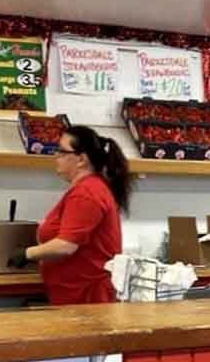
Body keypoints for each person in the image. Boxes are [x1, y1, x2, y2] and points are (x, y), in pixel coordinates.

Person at [9, 125, 132, 305]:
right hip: (75, 294)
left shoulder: (87, 193)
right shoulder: (86, 189)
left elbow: (66, 245)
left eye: (61, 151)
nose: (56, 157)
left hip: (88, 298)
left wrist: (28, 253)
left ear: (81, 159)